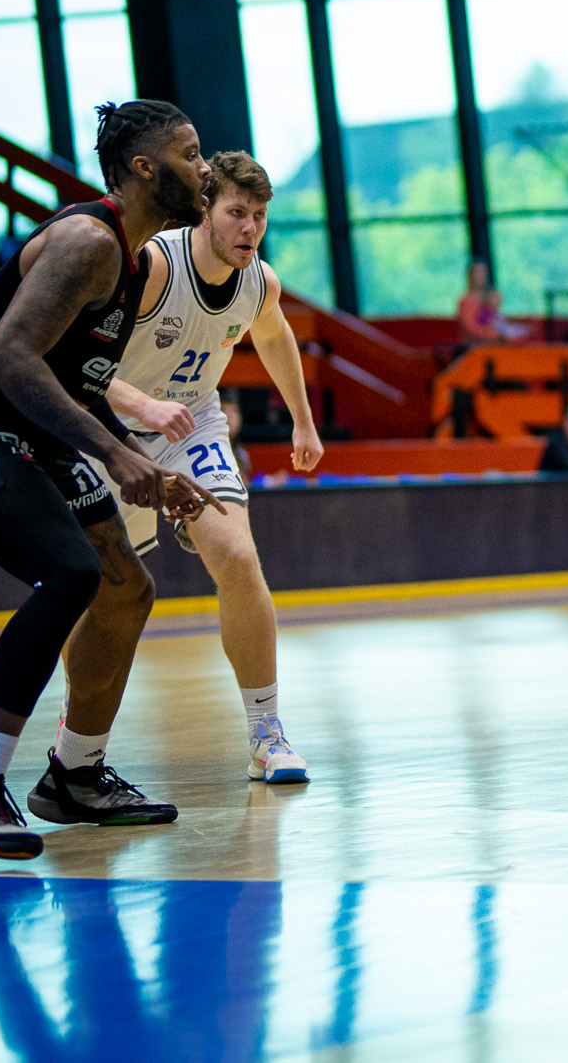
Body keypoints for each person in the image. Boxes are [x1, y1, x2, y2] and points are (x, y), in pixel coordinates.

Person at [0, 99, 223, 859]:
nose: (203, 166)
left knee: (125, 584)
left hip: (35, 433)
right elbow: (7, 358)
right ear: (144, 168)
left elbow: (76, 383)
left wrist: (139, 458)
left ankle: (74, 775)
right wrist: (118, 458)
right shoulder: (87, 241)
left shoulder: (139, 264)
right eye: (190, 152)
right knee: (70, 571)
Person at [95, 150, 325, 786]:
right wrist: (139, 403)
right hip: (107, 429)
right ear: (205, 211)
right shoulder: (152, 265)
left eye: (258, 216)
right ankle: (80, 746)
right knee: (103, 588)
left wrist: (303, 421)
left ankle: (266, 733)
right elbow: (69, 356)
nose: (249, 228)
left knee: (239, 559)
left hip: (190, 425)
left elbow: (274, 336)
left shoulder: (260, 282)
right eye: (235, 213)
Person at [457, 261, 521, 344]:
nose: (480, 275)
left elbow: (495, 320)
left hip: (496, 342)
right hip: (476, 345)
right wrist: (494, 334)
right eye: (477, 272)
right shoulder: (467, 300)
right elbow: (470, 327)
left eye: (483, 272)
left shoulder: (491, 295)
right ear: (470, 274)